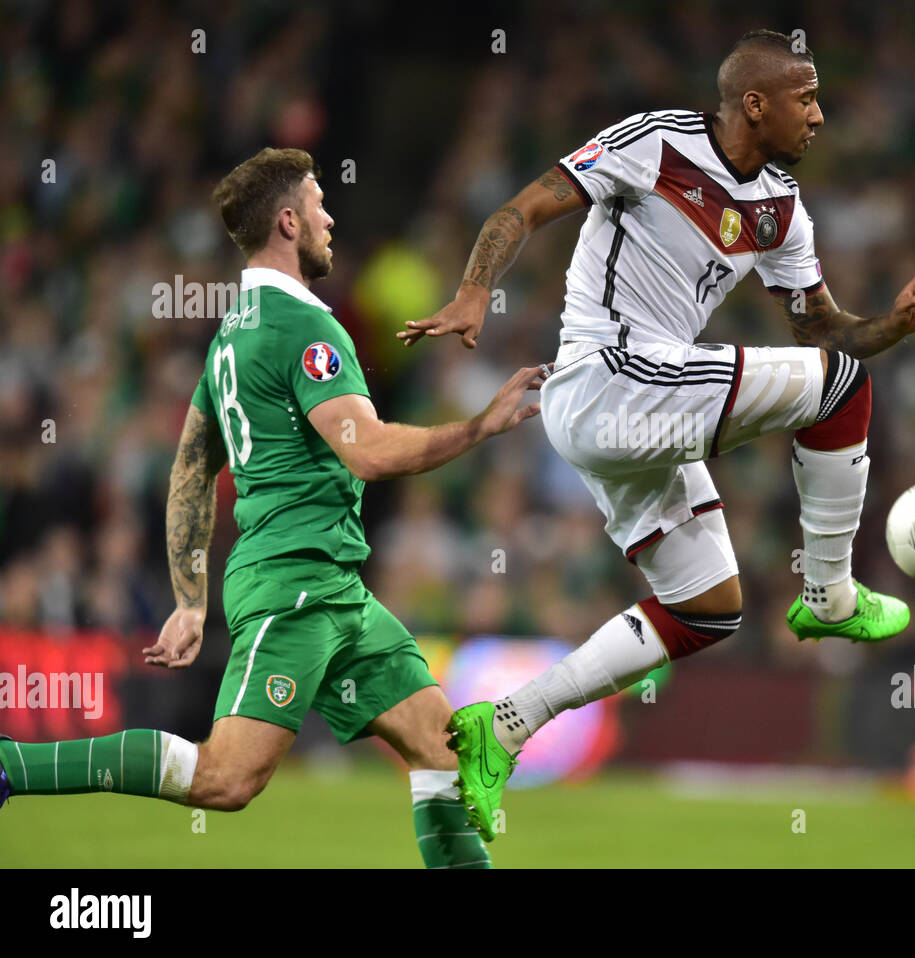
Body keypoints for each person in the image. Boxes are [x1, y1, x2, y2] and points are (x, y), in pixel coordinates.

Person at [400, 30, 915, 841]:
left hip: (641, 409)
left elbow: (821, 332)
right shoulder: (655, 143)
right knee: (843, 394)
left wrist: (894, 323)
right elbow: (521, 207)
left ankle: (505, 725)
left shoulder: (781, 207)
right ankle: (828, 597)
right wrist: (474, 290)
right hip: (607, 377)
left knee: (707, 610)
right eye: (805, 98)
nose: (820, 114)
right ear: (755, 103)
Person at [0, 147, 544, 869]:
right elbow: (370, 452)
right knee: (227, 777)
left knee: (444, 747)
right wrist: (480, 425)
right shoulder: (303, 329)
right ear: (288, 222)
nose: (331, 216)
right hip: (295, 585)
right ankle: (13, 767)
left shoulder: (233, 334)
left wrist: (192, 599)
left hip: (334, 588)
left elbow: (192, 464)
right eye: (320, 204)